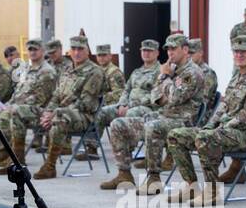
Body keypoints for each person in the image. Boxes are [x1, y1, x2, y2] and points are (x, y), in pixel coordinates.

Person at [166, 34, 246, 206]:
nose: (239, 55)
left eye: (243, 51)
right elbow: (223, 107)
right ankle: (191, 186)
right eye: (236, 52)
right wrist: (209, 126)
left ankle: (212, 191)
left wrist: (221, 127)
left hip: (245, 134)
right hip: (224, 131)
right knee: (175, 136)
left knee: (206, 138)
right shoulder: (236, 77)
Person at [120, 33, 204, 195]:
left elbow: (175, 97)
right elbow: (155, 98)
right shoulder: (172, 69)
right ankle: (123, 173)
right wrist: (167, 82)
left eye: (174, 49)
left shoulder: (192, 72)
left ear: (185, 50)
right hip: (167, 116)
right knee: (124, 123)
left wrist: (164, 77)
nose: (170, 53)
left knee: (153, 126)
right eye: (168, 49)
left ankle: (154, 179)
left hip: (185, 121)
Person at [34, 35, 104, 179]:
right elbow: (56, 96)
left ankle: (50, 166)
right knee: (35, 113)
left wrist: (56, 112)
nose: (77, 52)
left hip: (84, 116)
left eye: (80, 49)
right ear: (69, 51)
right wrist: (48, 112)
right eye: (74, 49)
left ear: (87, 51)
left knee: (59, 118)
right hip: (62, 114)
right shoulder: (67, 69)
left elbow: (86, 103)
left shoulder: (95, 72)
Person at [99, 40, 163, 190]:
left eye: (150, 51)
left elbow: (157, 96)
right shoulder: (136, 72)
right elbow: (126, 90)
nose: (146, 53)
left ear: (157, 53)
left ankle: (129, 148)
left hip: (148, 109)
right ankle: (93, 147)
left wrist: (130, 106)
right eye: (144, 50)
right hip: (128, 106)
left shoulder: (160, 72)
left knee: (128, 116)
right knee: (103, 112)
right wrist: (122, 103)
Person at [0, 39, 57, 172]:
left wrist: (15, 106)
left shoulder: (47, 71)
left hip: (41, 111)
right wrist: (8, 104)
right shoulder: (26, 69)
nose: (33, 52)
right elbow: (18, 91)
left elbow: (40, 98)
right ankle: (7, 153)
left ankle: (17, 158)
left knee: (16, 112)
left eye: (36, 49)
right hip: (21, 108)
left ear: (42, 51)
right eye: (30, 50)